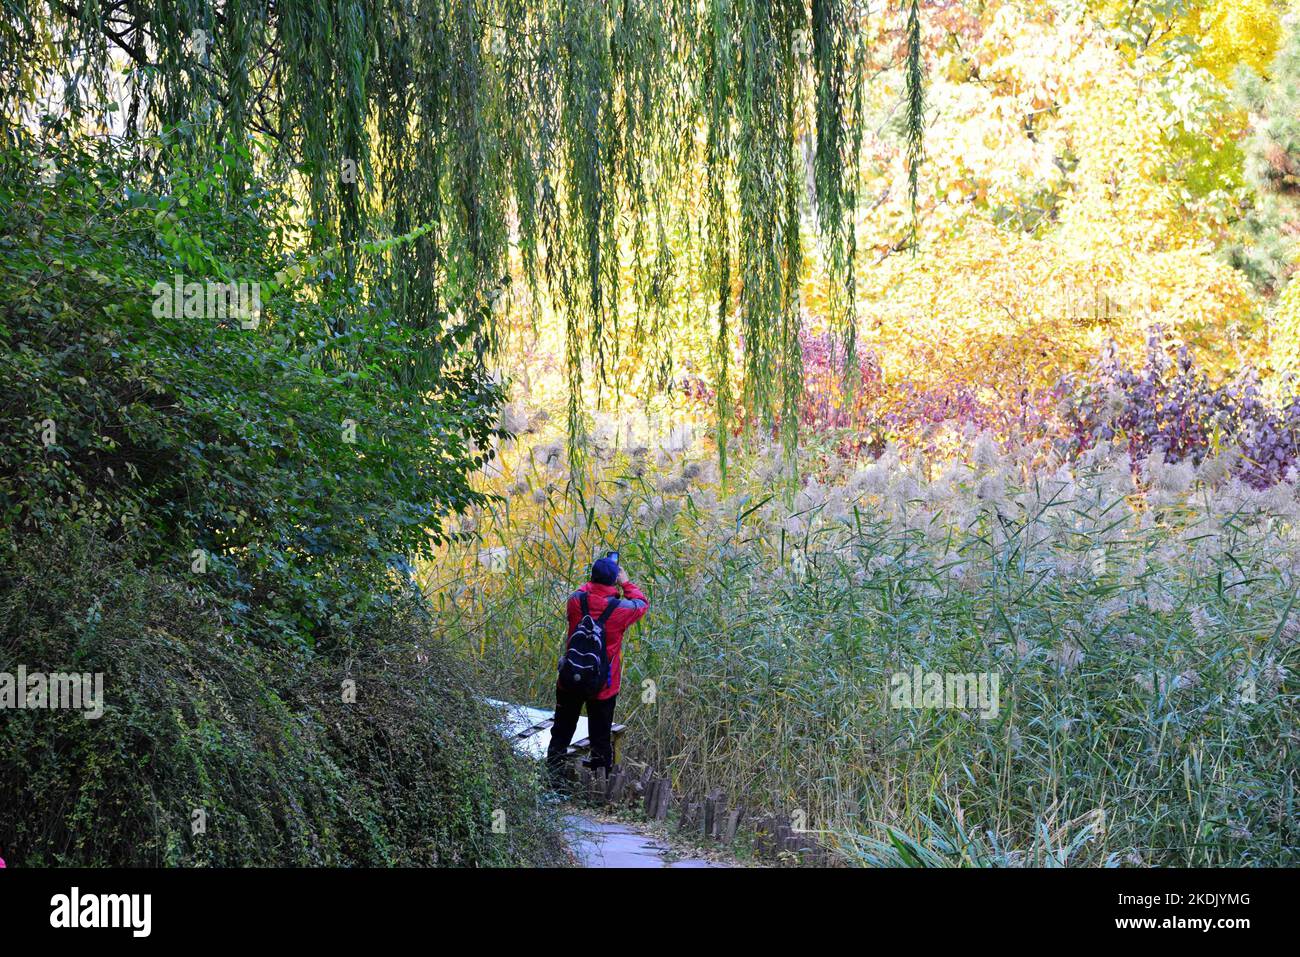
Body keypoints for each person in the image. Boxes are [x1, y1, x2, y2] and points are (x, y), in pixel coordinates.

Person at [547, 554, 648, 780]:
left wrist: (597, 580)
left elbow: (585, 591)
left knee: (561, 732)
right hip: (604, 684)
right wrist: (626, 583)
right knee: (600, 737)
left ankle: (552, 780)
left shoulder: (575, 601)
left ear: (591, 578)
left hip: (569, 678)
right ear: (613, 581)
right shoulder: (621, 609)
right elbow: (642, 604)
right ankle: (598, 784)